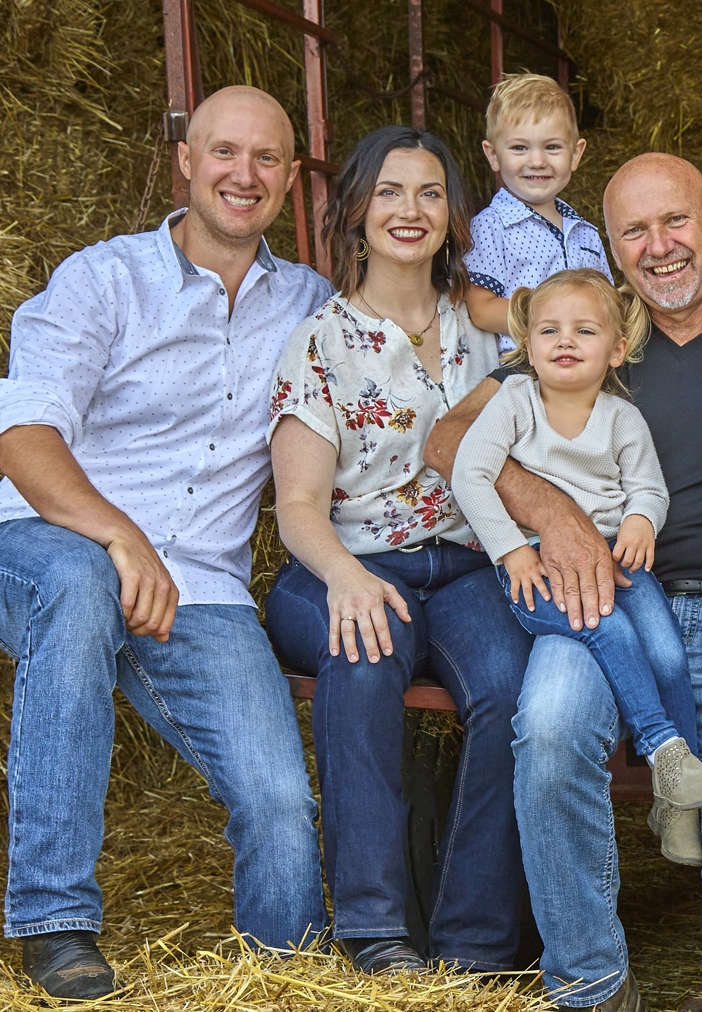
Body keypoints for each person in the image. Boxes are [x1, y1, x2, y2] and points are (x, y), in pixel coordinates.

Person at [425, 153, 702, 1012]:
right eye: (634, 230)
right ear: (612, 245)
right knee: (552, 734)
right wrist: (551, 513)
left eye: (676, 221)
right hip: (597, 596)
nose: (660, 246)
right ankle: (593, 990)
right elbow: (451, 442)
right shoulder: (586, 331)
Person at [0, 86, 329, 999]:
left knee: (278, 800)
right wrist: (117, 533)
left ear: (291, 178)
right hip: (48, 538)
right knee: (79, 586)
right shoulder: (102, 278)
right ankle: (54, 920)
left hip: (203, 588)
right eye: (225, 152)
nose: (244, 174)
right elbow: (22, 435)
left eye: (268, 159)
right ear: (187, 161)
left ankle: (286, 972)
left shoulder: (310, 305)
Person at [263, 125, 530, 976]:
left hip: (465, 566)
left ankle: (475, 945)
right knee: (367, 650)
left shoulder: (494, 333)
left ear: (455, 215)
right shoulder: (320, 340)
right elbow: (296, 505)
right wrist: (344, 580)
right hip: (343, 563)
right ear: (356, 209)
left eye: (427, 193)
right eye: (388, 191)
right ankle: (376, 932)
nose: (408, 211)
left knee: (514, 685)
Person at [453, 267, 702, 868]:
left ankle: (675, 803)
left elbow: (649, 490)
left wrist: (639, 522)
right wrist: (512, 549)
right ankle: (666, 754)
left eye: (584, 330)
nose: (565, 341)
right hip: (536, 565)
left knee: (665, 649)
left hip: (617, 560)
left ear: (617, 350)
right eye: (549, 330)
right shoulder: (514, 401)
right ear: (526, 347)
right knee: (607, 629)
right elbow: (468, 474)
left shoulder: (621, 418)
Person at [464, 73, 612, 347]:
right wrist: (555, 323)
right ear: (493, 155)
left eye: (552, 147)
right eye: (520, 148)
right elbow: (481, 309)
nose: (537, 161)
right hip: (523, 372)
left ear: (576, 154)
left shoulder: (586, 234)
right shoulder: (490, 226)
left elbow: (608, 305)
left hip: (589, 372)